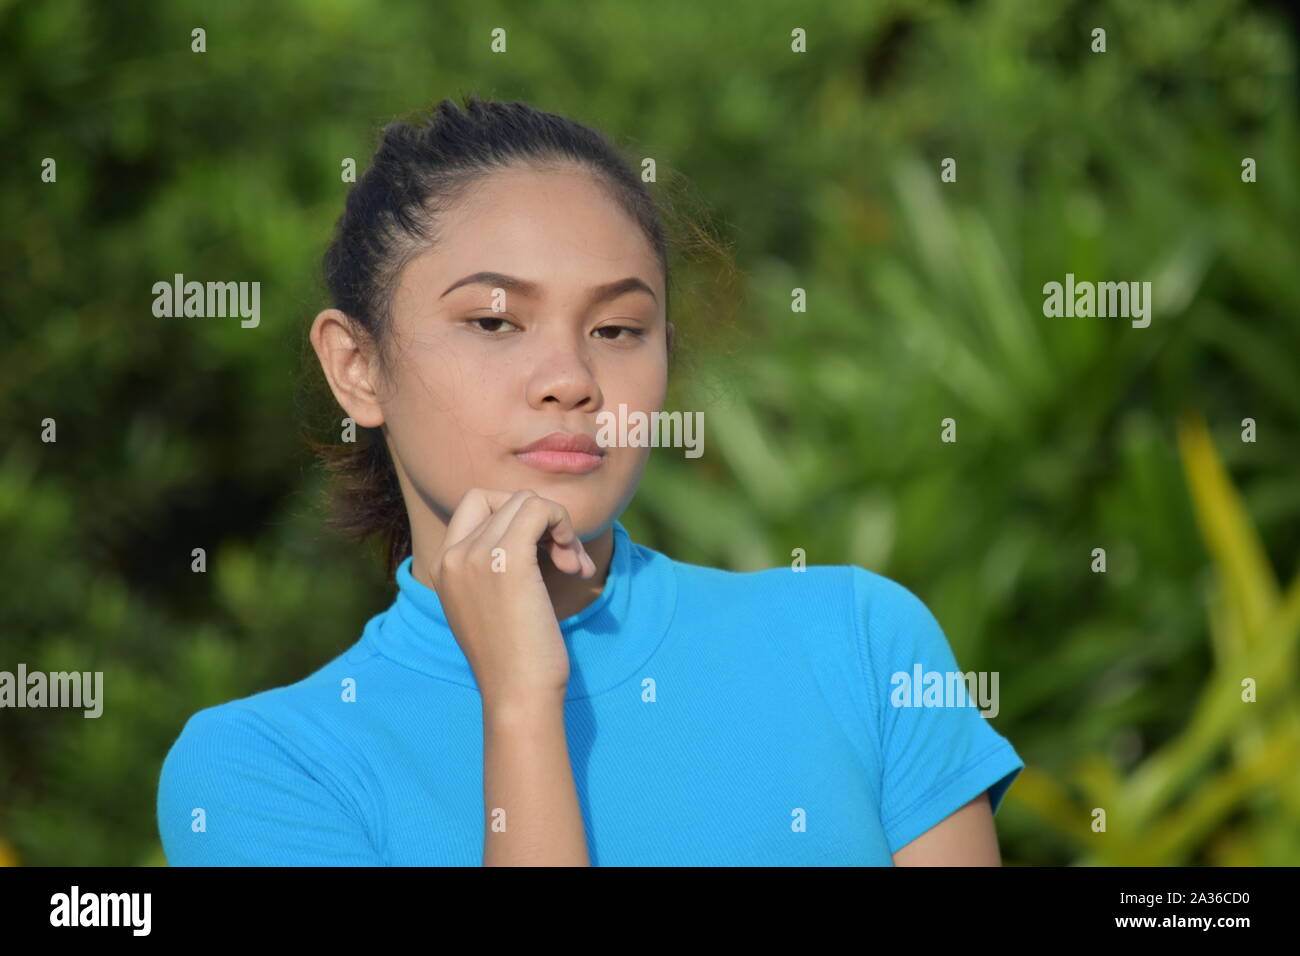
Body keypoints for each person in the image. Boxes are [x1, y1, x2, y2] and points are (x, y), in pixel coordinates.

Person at [156, 94, 1023, 866]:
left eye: (616, 329)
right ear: (357, 367)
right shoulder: (266, 767)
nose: (569, 377)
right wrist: (522, 702)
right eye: (494, 321)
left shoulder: (861, 645)